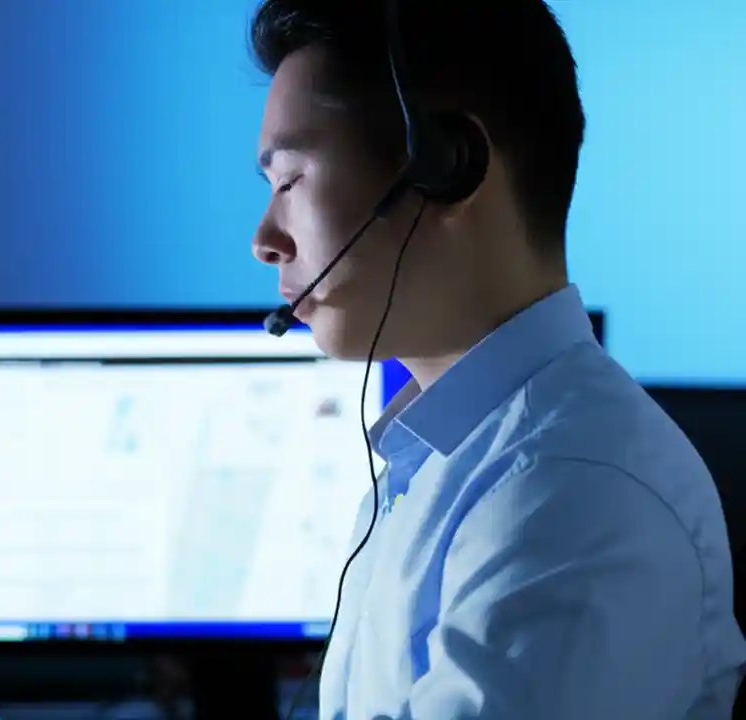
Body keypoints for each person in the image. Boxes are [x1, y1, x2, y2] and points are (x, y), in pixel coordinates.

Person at [248, 1, 746, 718]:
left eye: (290, 181)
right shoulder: (440, 464)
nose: (265, 239)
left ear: (447, 167)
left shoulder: (567, 492)